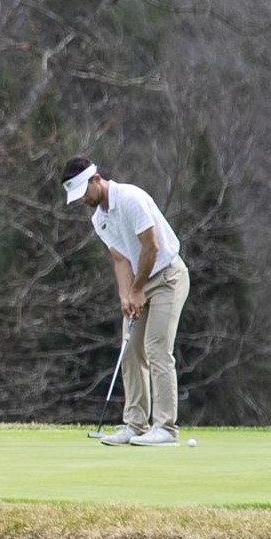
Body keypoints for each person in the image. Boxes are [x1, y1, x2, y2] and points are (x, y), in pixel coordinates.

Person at [62, 156, 190, 447]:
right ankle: (135, 425)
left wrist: (138, 288)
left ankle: (166, 428)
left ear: (96, 180)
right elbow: (120, 258)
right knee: (131, 351)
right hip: (139, 283)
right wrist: (126, 295)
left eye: (83, 192)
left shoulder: (131, 198)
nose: (82, 200)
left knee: (156, 348)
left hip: (168, 277)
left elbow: (151, 246)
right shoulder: (99, 219)